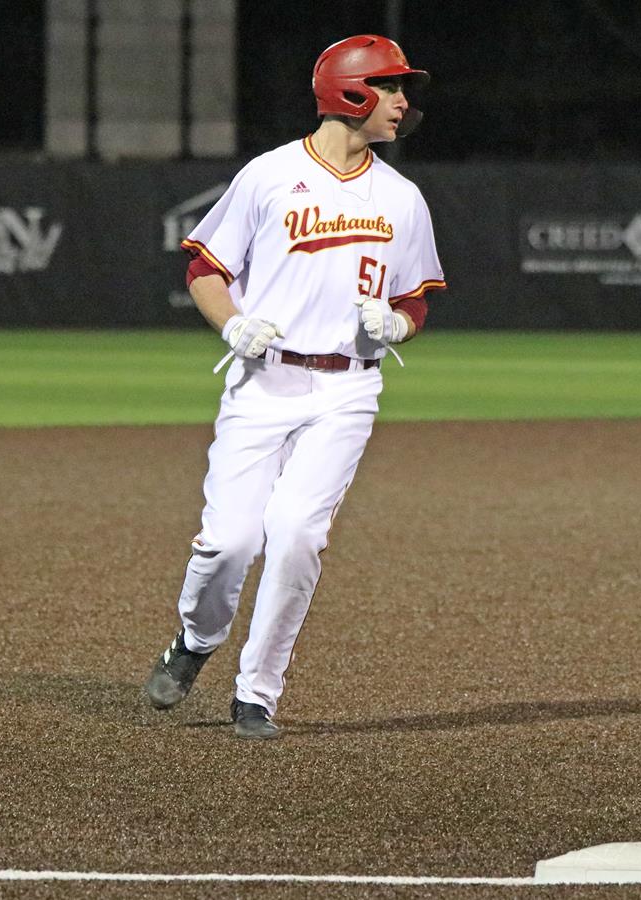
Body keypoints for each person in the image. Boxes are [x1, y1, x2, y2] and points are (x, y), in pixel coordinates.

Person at [144, 35, 446, 740]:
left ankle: (258, 692)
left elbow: (418, 300)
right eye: (392, 86)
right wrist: (231, 327)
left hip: (346, 390)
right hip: (262, 383)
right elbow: (204, 269)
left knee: (298, 537)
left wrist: (397, 326)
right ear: (351, 91)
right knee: (228, 542)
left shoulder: (402, 198)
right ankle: (195, 642)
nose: (404, 102)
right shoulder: (269, 176)